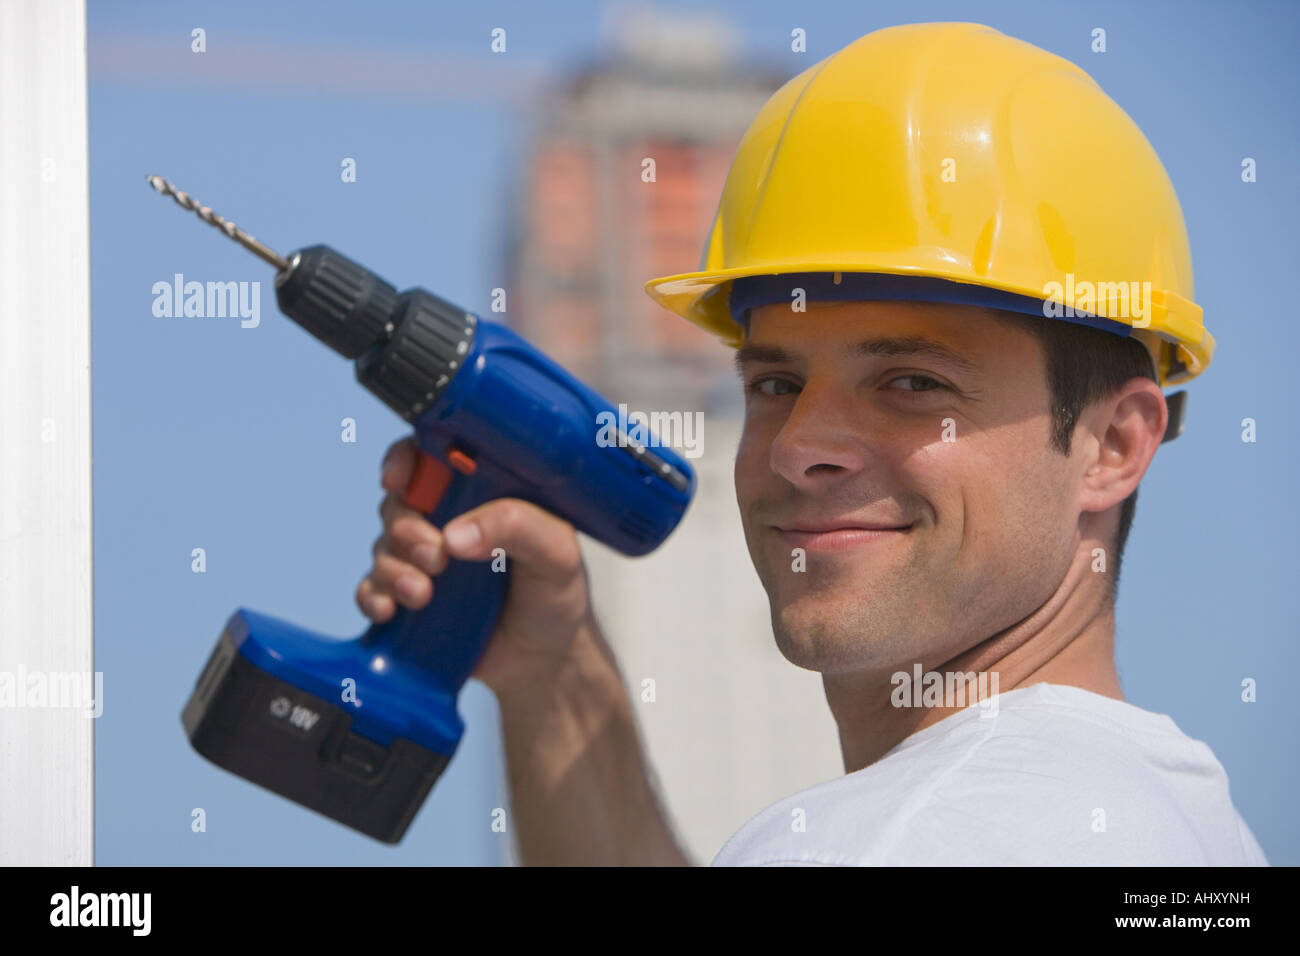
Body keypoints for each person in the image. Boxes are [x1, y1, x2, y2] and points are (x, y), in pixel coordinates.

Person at [355, 22, 1267, 865]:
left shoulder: (901, 839)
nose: (801, 445)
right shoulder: (1177, 830)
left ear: (1114, 442)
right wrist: (553, 674)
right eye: (775, 385)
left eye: (913, 384)